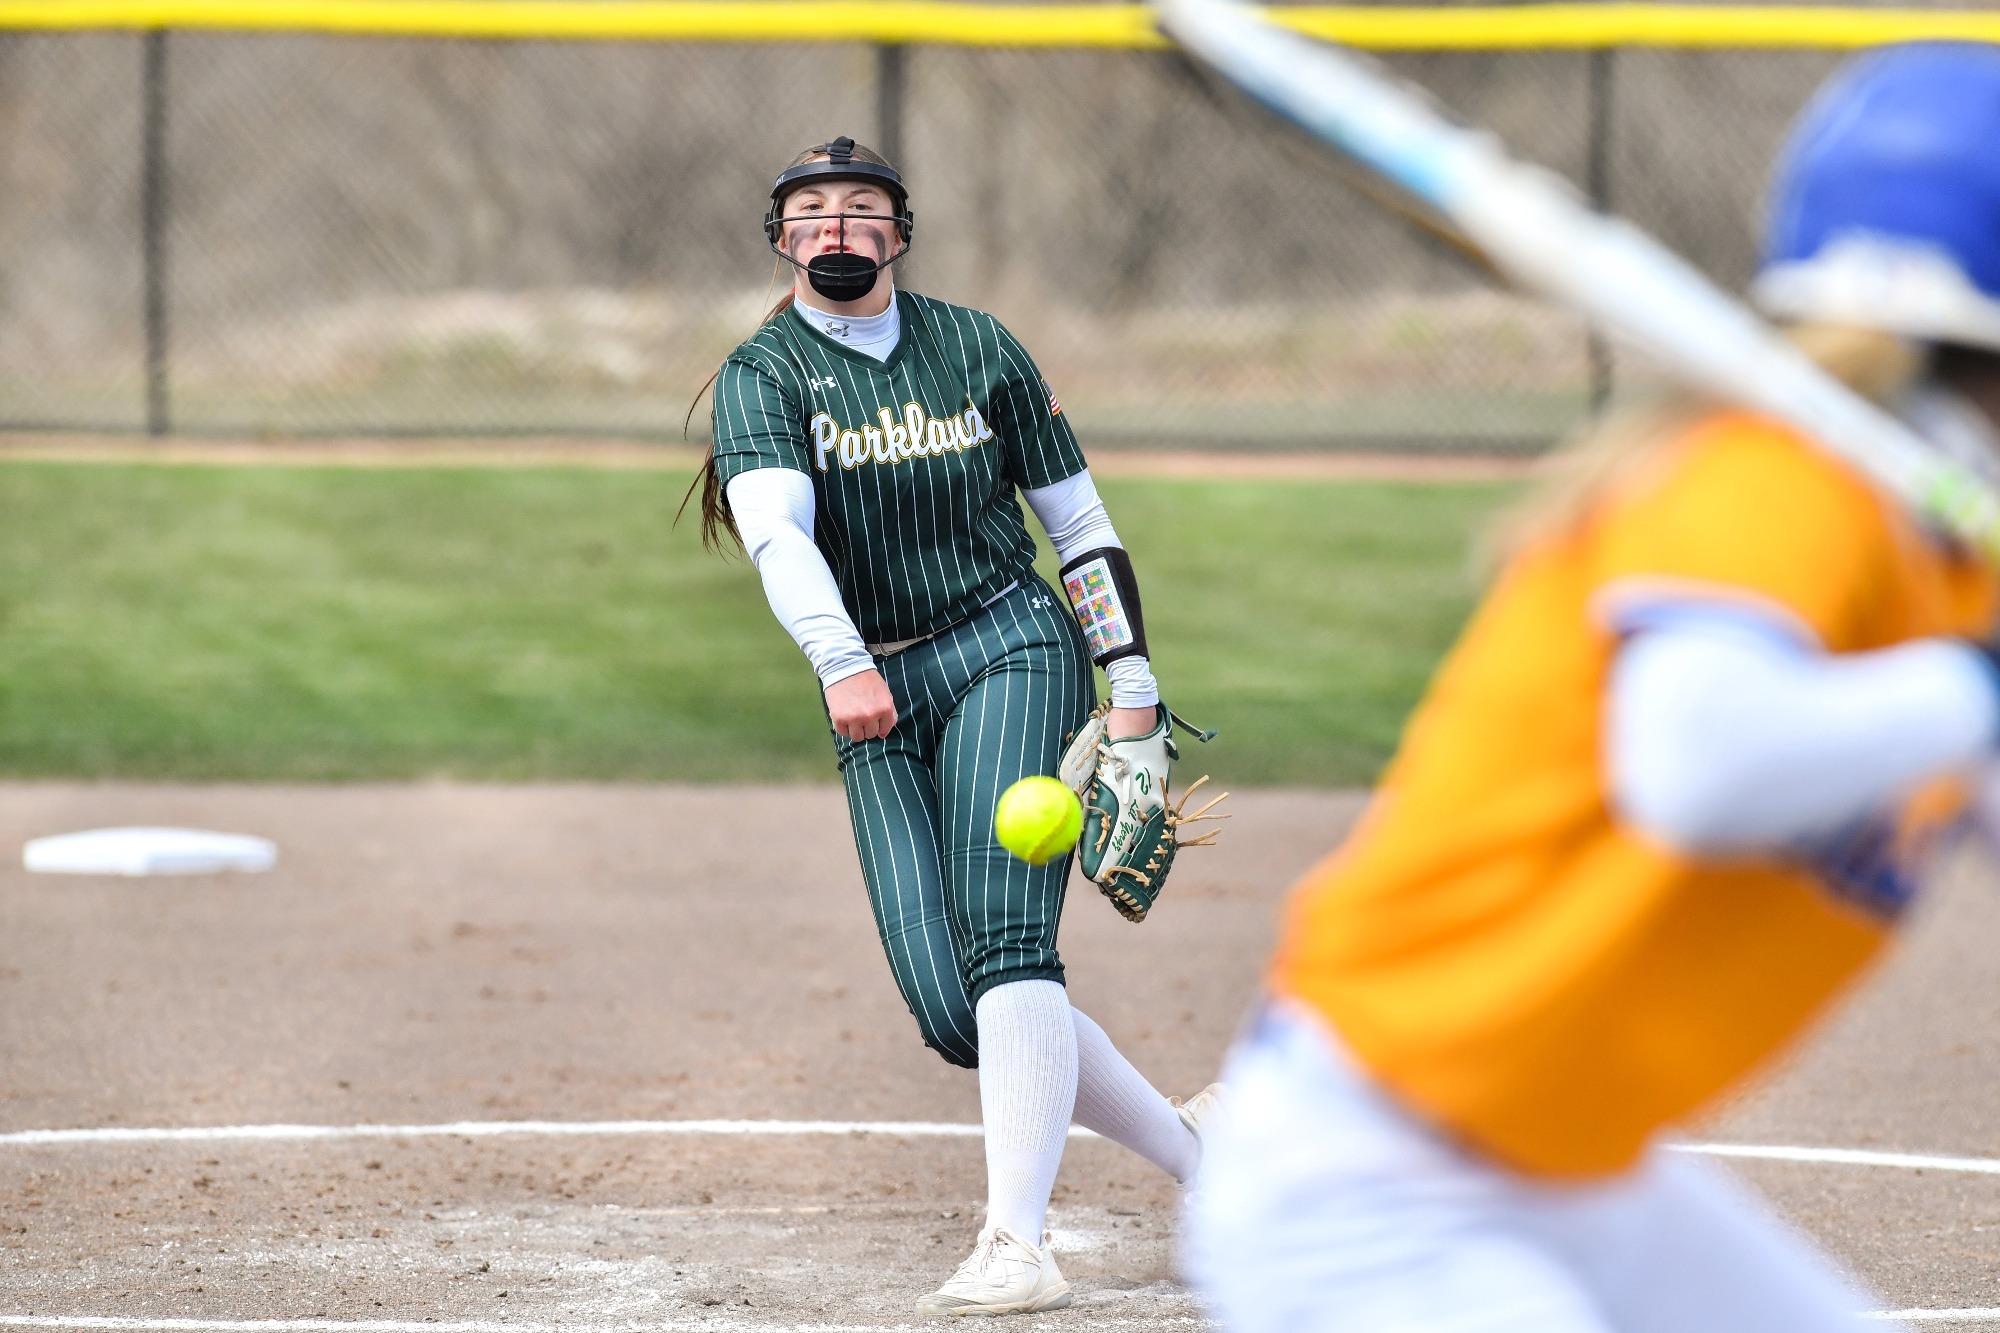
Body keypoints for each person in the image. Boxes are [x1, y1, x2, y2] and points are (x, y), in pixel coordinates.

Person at [1183, 43, 2000, 1333]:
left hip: (1570, 1172)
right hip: (1369, 1180)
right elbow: (1694, 766)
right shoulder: (1768, 486)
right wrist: (1977, 687)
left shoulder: (1951, 572)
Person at [685, 136, 1222, 1317]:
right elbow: (776, 532)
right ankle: (1216, 1168)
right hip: (870, 684)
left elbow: (1077, 525)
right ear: (779, 237)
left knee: (1005, 942)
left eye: (862, 207)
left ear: (899, 229)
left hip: (1007, 646)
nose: (837, 228)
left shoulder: (977, 347)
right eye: (811, 210)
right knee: (952, 1008)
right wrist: (838, 661)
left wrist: (1127, 683)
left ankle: (1015, 1245)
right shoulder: (764, 376)